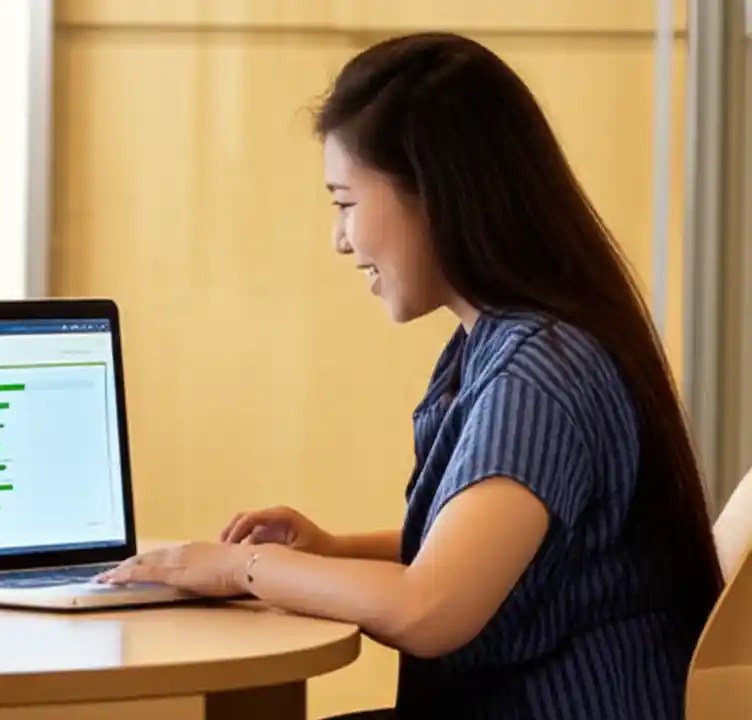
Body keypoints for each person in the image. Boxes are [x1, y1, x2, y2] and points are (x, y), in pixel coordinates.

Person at [96, 32, 723, 719]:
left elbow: (432, 610)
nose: (341, 240)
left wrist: (238, 569)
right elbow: (494, 550)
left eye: (345, 202)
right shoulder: (511, 341)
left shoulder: (538, 371)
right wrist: (332, 551)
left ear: (433, 193)